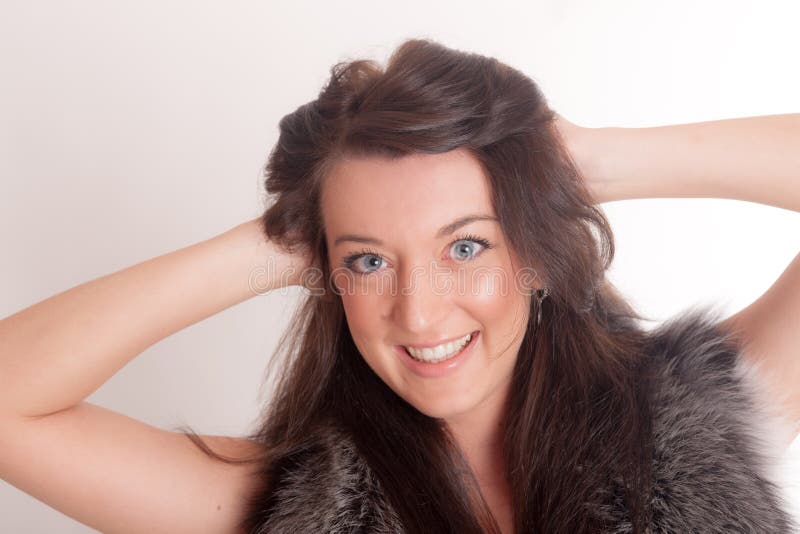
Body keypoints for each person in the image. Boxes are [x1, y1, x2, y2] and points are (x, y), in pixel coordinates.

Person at [0, 38, 798, 533]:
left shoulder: (698, 426)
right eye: (369, 263)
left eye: (466, 247)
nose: (417, 313)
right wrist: (289, 236)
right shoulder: (287, 507)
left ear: (540, 255)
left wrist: (589, 165)